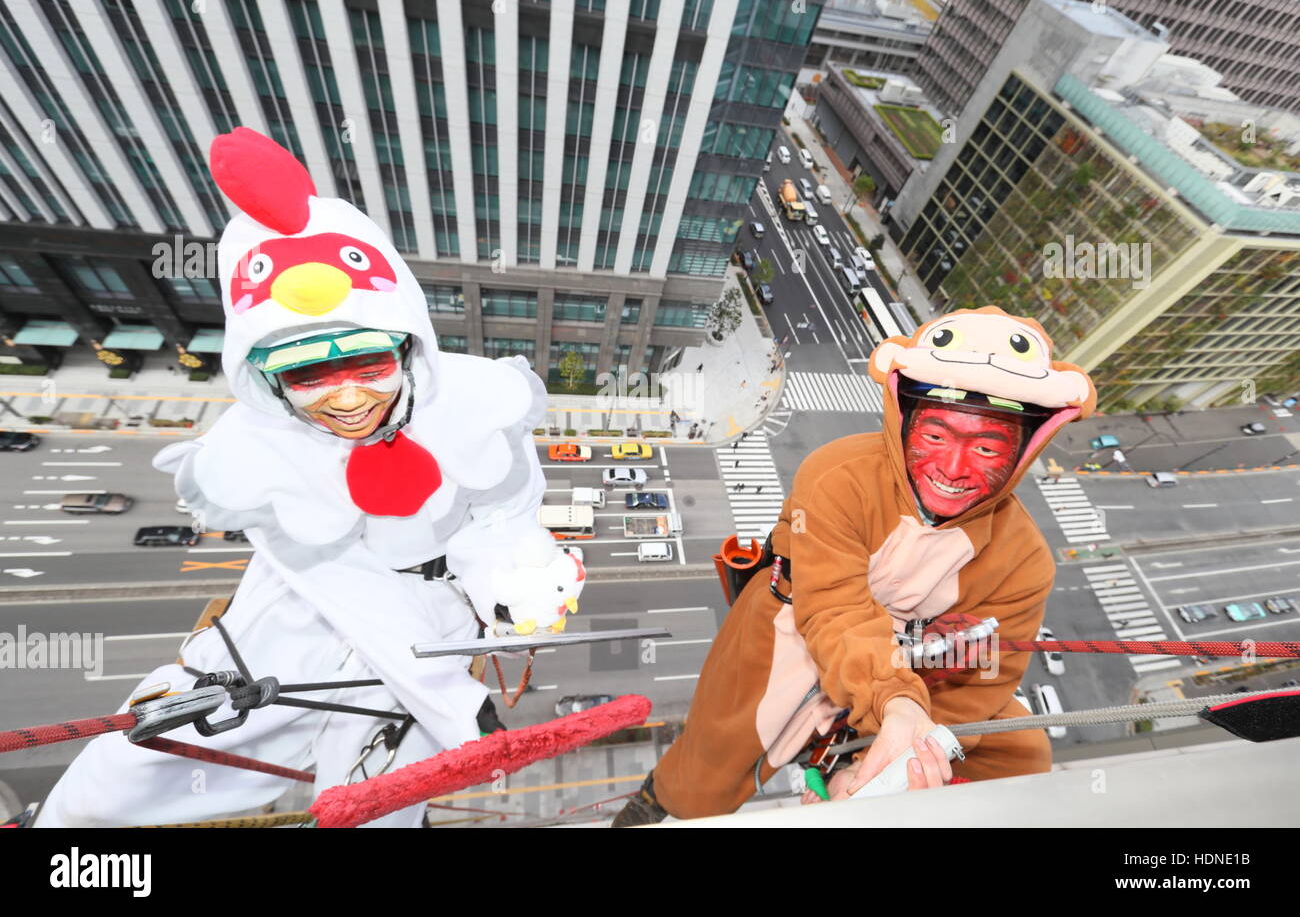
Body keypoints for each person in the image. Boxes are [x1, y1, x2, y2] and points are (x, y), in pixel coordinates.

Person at [36, 128, 585, 828]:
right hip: (294, 622)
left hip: (438, 617)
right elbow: (345, 589)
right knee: (136, 764)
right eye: (307, 374)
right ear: (263, 378)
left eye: (368, 362)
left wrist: (511, 582)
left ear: (407, 342)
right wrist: (454, 701)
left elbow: (502, 515)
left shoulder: (479, 405)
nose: (349, 399)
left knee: (382, 806)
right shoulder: (257, 454)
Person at [613, 306, 1096, 825]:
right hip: (792, 631)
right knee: (711, 764)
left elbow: (979, 682)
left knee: (1019, 752)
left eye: (985, 446)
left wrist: (878, 766)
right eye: (935, 438)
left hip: (910, 672)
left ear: (1025, 450)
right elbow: (834, 609)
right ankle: (660, 800)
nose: (953, 471)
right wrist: (895, 702)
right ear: (904, 419)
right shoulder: (837, 475)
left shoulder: (1022, 559)